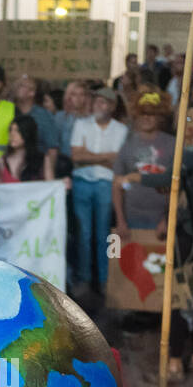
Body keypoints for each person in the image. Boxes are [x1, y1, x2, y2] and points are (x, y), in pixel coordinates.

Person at [70, 87, 128, 294]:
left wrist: (89, 155)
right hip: (82, 183)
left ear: (112, 106)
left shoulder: (121, 130)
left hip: (106, 185)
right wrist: (105, 157)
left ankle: (104, 279)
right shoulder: (81, 124)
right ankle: (85, 279)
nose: (98, 105)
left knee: (103, 233)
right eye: (97, 101)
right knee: (83, 234)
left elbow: (118, 161)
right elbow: (76, 156)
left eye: (104, 102)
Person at [111, 88, 177, 239]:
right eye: (143, 114)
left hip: (163, 222)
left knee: (159, 263)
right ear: (136, 116)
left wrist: (167, 219)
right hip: (132, 219)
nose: (147, 118)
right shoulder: (127, 143)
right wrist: (120, 220)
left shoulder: (173, 144)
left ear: (160, 117)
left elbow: (179, 188)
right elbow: (117, 184)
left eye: (152, 114)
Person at [12, 73, 60, 164]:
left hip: (36, 168)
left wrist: (50, 174)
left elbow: (52, 148)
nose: (17, 88)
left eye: (22, 85)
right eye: (17, 85)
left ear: (32, 92)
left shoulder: (43, 116)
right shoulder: (8, 111)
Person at [0, 115, 54, 183]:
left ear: (28, 133)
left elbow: (51, 186)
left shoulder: (43, 159)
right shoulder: (2, 160)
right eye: (10, 130)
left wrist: (62, 183)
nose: (12, 135)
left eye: (18, 131)